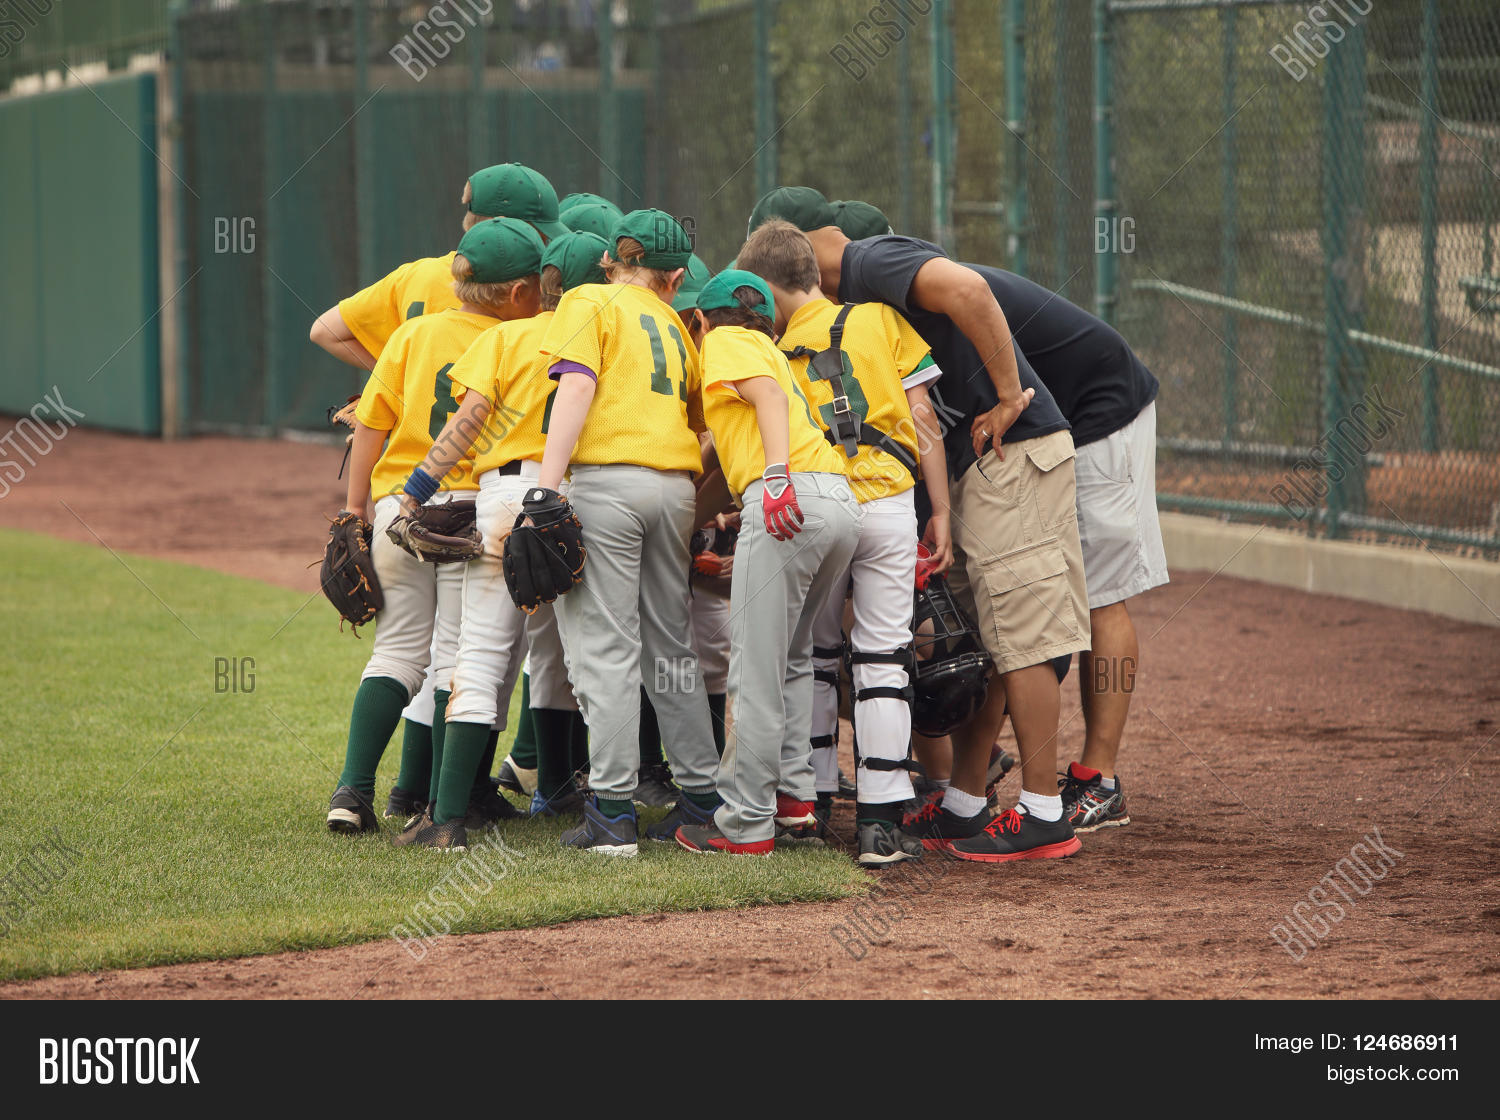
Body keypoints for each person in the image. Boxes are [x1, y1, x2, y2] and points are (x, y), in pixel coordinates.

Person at [748, 185, 1087, 863]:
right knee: (980, 637)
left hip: (1013, 452)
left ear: (812, 242)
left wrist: (1007, 396)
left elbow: (969, 292)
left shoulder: (872, 261)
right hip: (965, 467)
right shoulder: (853, 311)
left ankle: (1046, 812)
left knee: (1023, 632)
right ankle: (965, 800)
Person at [840, 196, 1164, 832]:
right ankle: (970, 785)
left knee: (1095, 592)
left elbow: (984, 344)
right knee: (996, 604)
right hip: (1024, 428)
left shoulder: (898, 282)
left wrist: (1014, 398)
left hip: (1095, 405)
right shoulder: (879, 323)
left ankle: (1097, 779)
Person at [310, 162, 573, 821]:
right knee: (458, 659)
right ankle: (435, 797)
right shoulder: (517, 340)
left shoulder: (411, 330)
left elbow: (370, 421)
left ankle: (352, 790)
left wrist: (355, 507)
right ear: (518, 291)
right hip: (468, 512)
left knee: (396, 650)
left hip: (403, 506)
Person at [737, 219, 948, 865]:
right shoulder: (880, 320)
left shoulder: (768, 348)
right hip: (887, 499)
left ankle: (814, 806)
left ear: (769, 292)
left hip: (820, 502)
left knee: (817, 656)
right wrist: (941, 507)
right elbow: (924, 417)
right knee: (884, 658)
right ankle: (881, 824)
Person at [387, 230, 604, 849]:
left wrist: (416, 492)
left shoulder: (506, 335)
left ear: (544, 285)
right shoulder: (606, 337)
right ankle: (607, 803)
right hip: (581, 497)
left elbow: (467, 422)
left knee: (481, 656)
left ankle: (448, 817)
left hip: (508, 497)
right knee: (584, 657)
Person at [533, 209, 723, 857]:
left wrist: (546, 484)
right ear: (674, 277)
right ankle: (702, 802)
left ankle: (612, 814)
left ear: (615, 259)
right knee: (670, 649)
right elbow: (705, 427)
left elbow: (577, 385)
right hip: (673, 488)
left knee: (607, 646)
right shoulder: (675, 321)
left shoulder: (589, 296)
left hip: (606, 481)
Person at [673, 269, 861, 855]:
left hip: (790, 500)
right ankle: (794, 801)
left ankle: (745, 823)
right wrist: (687, 528)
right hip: (837, 503)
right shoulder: (769, 347)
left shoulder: (726, 343)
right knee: (792, 658)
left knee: (752, 669)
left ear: (702, 320)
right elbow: (736, 461)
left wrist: (776, 478)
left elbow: (769, 402)